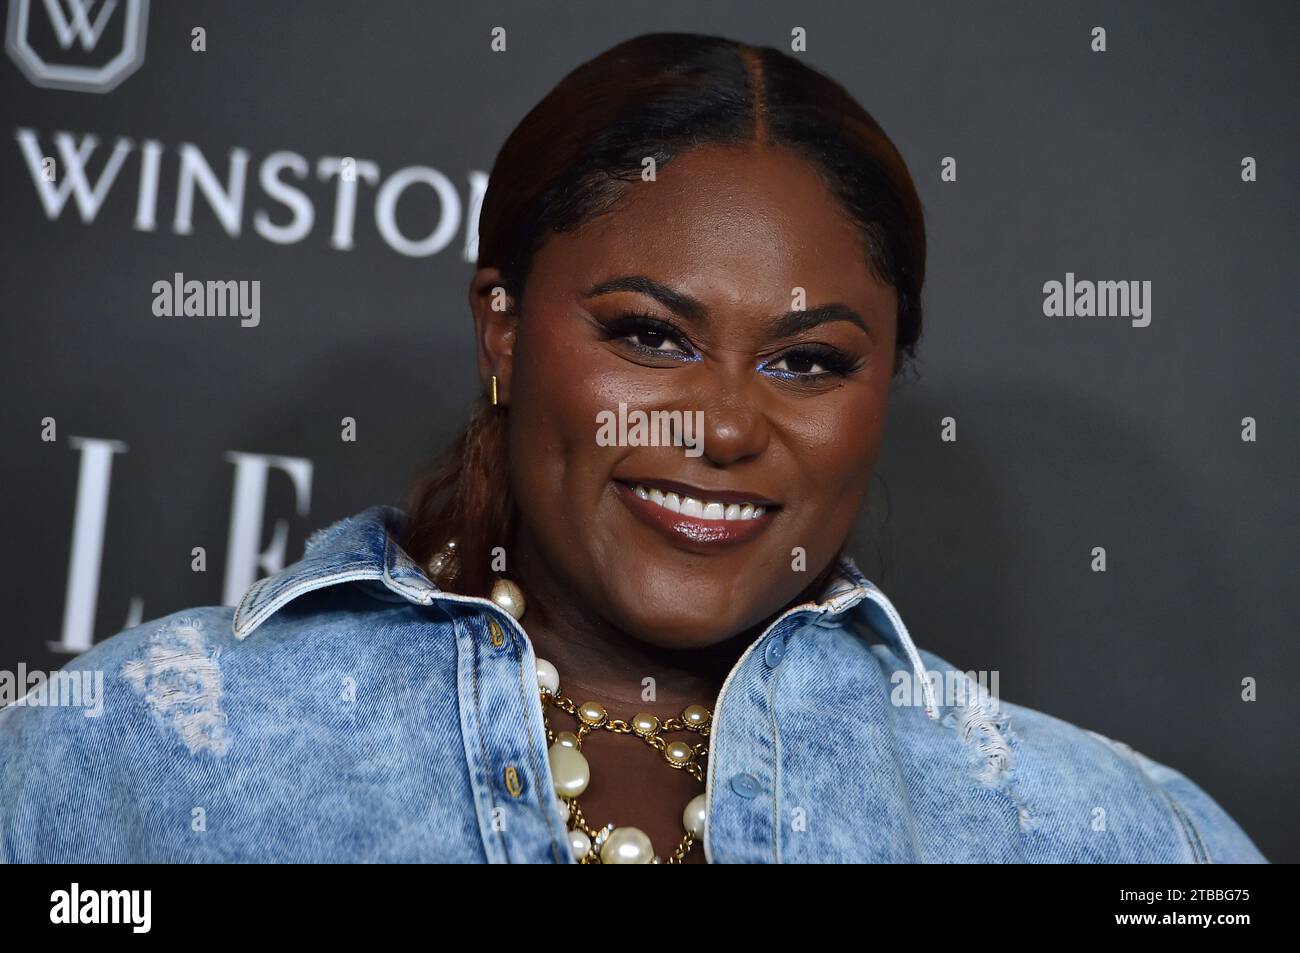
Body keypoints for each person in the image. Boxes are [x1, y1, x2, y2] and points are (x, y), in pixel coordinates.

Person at [0, 32, 1265, 863]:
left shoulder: (1118, 837)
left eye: (807, 359)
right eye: (652, 336)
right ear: (501, 330)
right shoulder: (121, 757)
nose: (719, 426)